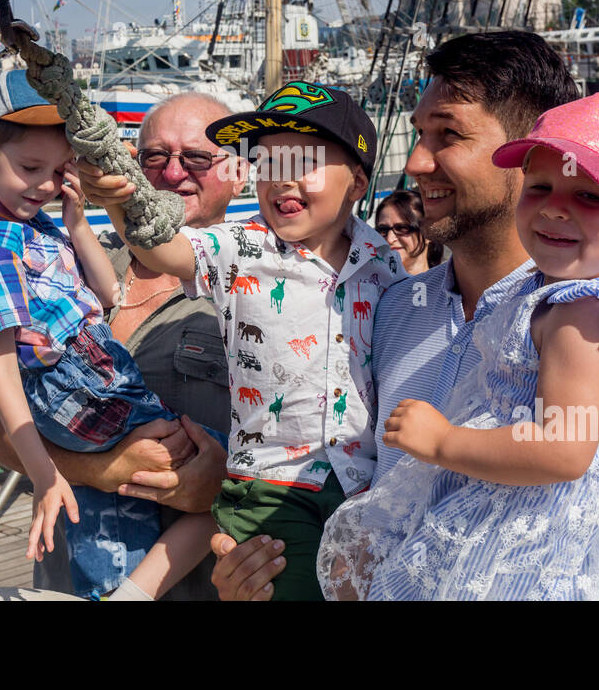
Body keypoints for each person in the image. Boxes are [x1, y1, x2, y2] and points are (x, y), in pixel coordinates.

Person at [211, 31, 599, 601]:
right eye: (419, 134)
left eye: (448, 134)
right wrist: (251, 554)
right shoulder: (391, 308)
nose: (418, 162)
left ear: (535, 150)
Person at [318, 94, 599, 599]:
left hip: (519, 543)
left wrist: (443, 442)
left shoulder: (582, 312)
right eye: (540, 187)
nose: (556, 207)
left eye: (590, 197)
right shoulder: (568, 298)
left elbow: (564, 448)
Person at [86, 82, 406, 600]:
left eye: (304, 163)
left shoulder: (385, 262)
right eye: (269, 165)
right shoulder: (238, 246)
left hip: (366, 486)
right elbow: (163, 246)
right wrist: (118, 192)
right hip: (271, 485)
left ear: (358, 184)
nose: (283, 181)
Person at [0, 72, 216, 600]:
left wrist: (213, 481)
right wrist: (100, 470)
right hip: (71, 559)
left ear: (238, 169)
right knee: (109, 557)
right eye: (153, 158)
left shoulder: (261, 283)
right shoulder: (14, 246)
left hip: (203, 584)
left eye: (197, 159)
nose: (172, 173)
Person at [374, 188, 443, 275]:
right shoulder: (366, 285)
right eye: (383, 230)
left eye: (402, 228)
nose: (389, 239)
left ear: (429, 232)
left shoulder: (449, 286)